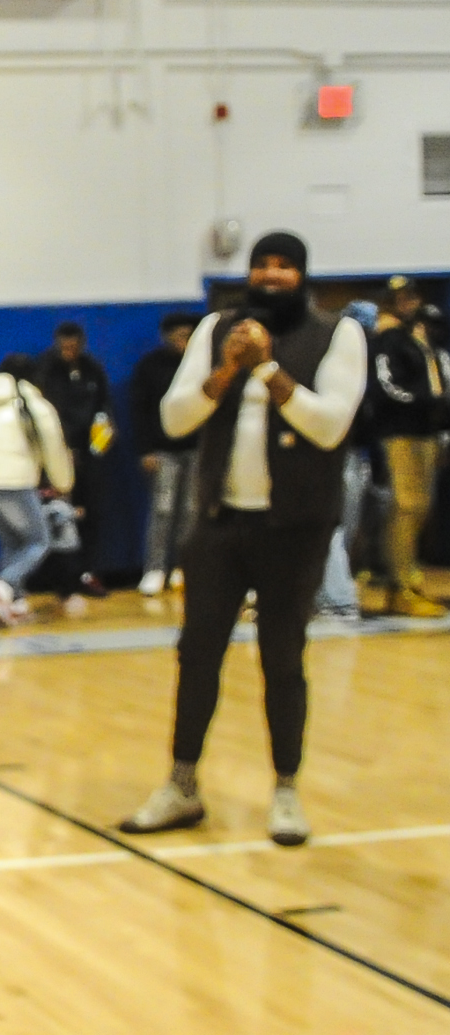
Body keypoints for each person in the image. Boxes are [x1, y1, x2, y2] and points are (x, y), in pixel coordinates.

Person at [120, 230, 365, 847]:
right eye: (262, 265)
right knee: (197, 653)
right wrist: (230, 367)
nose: (271, 275)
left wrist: (269, 370)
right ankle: (181, 785)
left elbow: (329, 427)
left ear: (302, 276)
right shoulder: (215, 331)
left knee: (282, 658)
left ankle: (285, 791)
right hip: (220, 523)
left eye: (285, 266)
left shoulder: (338, 334)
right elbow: (175, 418)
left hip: (295, 528)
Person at [0, 355, 75, 626]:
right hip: (14, 482)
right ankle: (4, 585)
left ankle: (15, 602)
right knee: (39, 541)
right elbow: (53, 445)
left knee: (14, 542)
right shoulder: (33, 404)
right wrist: (63, 483)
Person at [367, 277, 446, 616]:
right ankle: (399, 588)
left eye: (411, 297)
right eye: (399, 298)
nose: (407, 303)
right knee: (405, 507)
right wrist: (425, 401)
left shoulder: (419, 335)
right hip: (399, 431)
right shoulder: (387, 338)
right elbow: (385, 386)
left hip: (425, 430)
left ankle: (411, 581)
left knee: (420, 508)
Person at [129, 311, 203, 596]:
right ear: (166, 336)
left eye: (188, 335)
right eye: (178, 335)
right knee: (162, 509)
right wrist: (146, 449)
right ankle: (154, 569)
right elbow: (139, 410)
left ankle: (182, 567)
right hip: (163, 450)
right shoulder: (150, 366)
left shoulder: (201, 364)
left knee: (191, 511)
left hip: (196, 448)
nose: (183, 340)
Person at [36, 319, 112, 598]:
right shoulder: (44, 371)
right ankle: (60, 578)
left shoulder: (93, 370)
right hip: (57, 457)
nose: (69, 351)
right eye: (64, 347)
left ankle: (88, 572)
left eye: (74, 346)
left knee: (90, 515)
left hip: (90, 457)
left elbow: (103, 409)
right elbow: (45, 416)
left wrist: (100, 442)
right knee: (58, 517)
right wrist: (63, 450)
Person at [315, 300, 379, 620]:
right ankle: (334, 597)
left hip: (355, 454)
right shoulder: (326, 357)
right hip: (327, 453)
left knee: (342, 526)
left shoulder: (370, 360)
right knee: (330, 525)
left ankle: (333, 595)